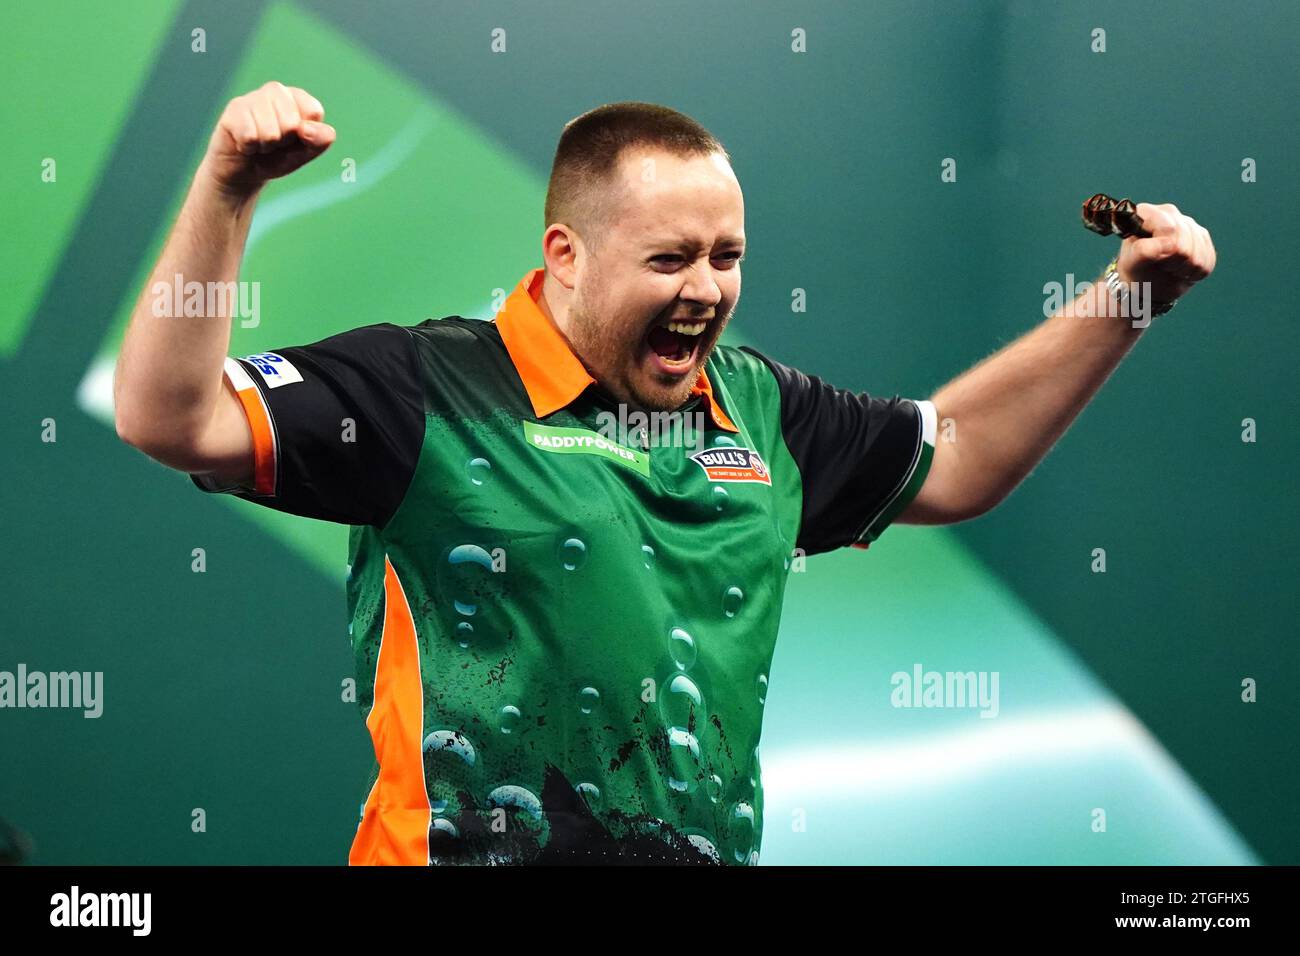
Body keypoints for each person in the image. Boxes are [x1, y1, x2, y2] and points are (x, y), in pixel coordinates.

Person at [113, 82, 1216, 865]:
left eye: (726, 256)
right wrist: (226, 190)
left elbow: (961, 457)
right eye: (669, 258)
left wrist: (1128, 301)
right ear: (565, 256)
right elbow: (170, 415)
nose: (704, 288)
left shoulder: (763, 409)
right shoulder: (419, 387)